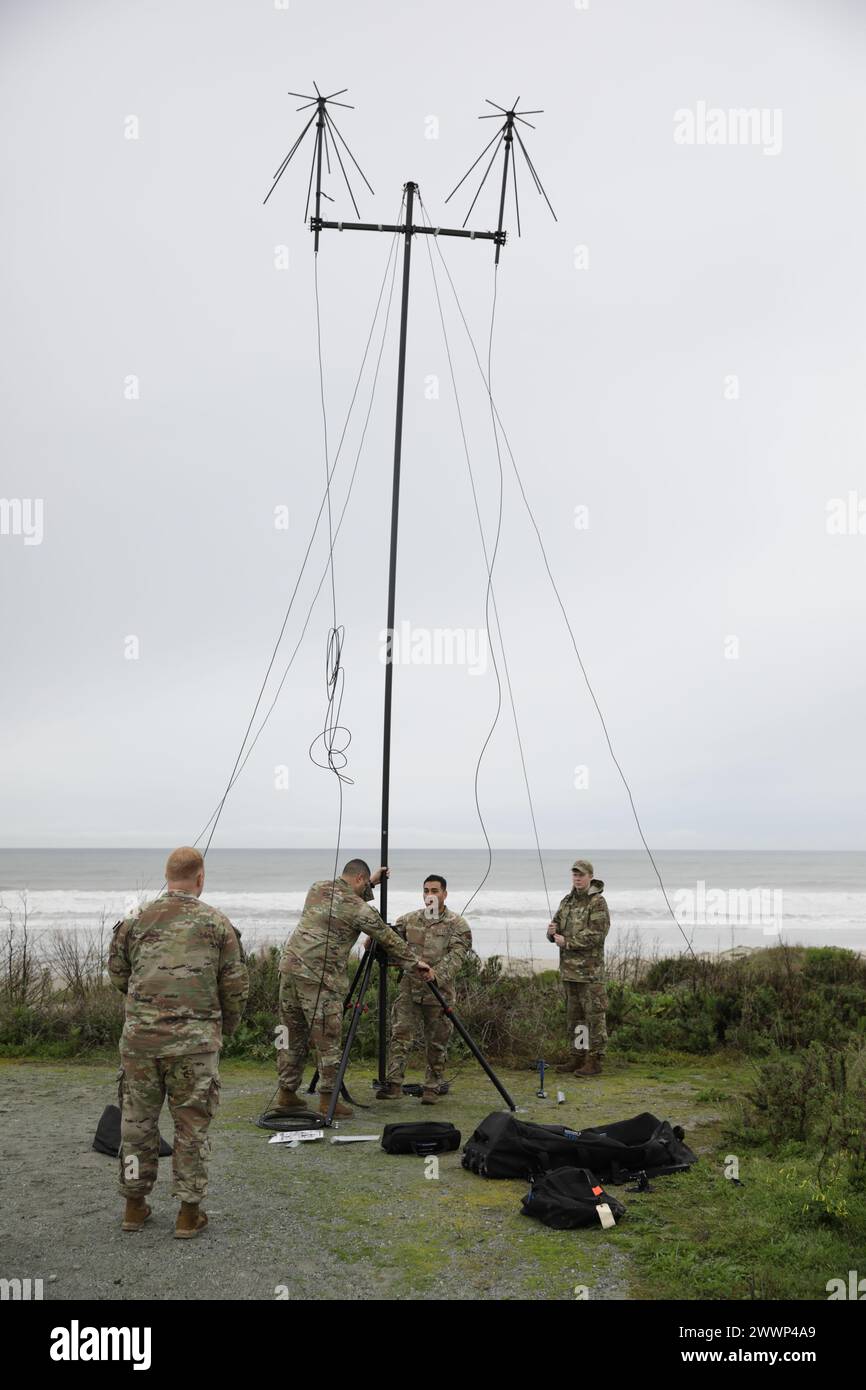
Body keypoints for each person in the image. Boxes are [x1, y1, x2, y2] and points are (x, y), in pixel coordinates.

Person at [108, 846, 249, 1239]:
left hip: (141, 1042)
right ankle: (188, 1212)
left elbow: (118, 974)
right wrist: (226, 1028)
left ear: (167, 875)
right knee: (192, 1127)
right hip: (195, 1044)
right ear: (200, 878)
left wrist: (145, 1008)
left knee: (137, 1124)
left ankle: (134, 1206)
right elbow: (235, 987)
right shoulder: (217, 923)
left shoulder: (136, 920)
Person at [273, 859, 432, 1119]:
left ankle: (286, 1094)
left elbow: (345, 896)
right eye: (364, 884)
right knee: (328, 1041)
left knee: (291, 1036)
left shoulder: (317, 888)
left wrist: (371, 884)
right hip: (320, 979)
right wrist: (416, 964)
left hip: (289, 971)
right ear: (360, 879)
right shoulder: (359, 909)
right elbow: (388, 938)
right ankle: (329, 1101)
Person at [377, 874, 472, 1105]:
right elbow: (390, 942)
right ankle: (394, 1084)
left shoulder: (457, 925)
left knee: (437, 1042)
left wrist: (436, 973)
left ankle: (432, 1087)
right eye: (426, 891)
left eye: (435, 891)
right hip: (410, 990)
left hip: (439, 994)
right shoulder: (409, 920)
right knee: (400, 1036)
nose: (430, 895)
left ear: (445, 894)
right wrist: (374, 942)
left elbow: (459, 954)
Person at [547, 858, 610, 1077]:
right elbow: (555, 929)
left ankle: (594, 1059)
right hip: (569, 972)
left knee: (594, 1017)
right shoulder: (566, 902)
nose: (577, 878)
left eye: (581, 875)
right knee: (576, 1019)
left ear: (590, 877)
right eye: (574, 875)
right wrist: (551, 932)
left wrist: (568, 941)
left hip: (590, 973)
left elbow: (597, 934)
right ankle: (578, 1056)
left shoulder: (597, 902)